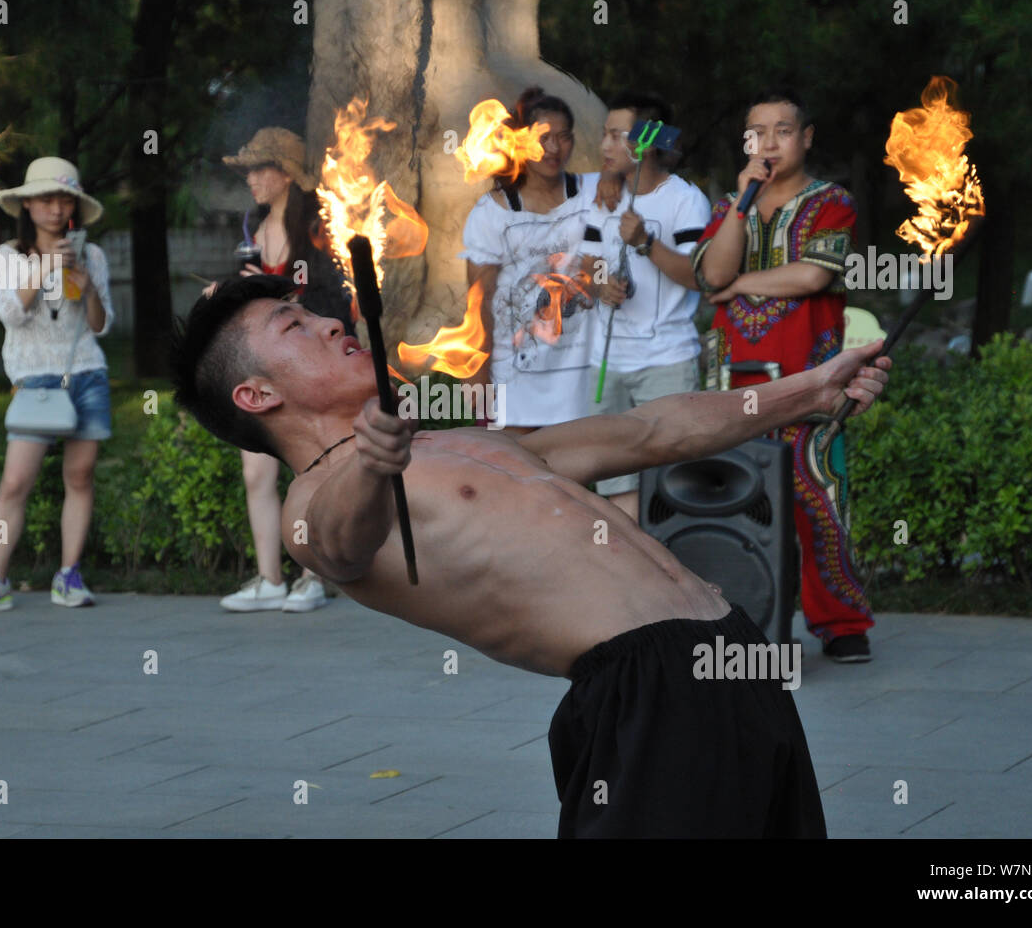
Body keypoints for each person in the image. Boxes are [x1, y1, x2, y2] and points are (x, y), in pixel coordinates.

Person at [169, 274, 892, 837]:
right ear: (256, 393)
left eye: (316, 312)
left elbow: (648, 432)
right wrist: (371, 460)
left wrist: (805, 392)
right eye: (294, 325)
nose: (331, 321)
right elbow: (339, 540)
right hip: (645, 694)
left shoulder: (464, 443)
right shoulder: (315, 502)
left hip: (733, 655)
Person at [692, 89, 872, 663]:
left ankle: (842, 624)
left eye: (783, 130)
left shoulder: (830, 202)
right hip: (733, 383)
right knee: (736, 504)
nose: (769, 142)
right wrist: (744, 204)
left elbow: (814, 276)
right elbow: (710, 273)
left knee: (818, 497)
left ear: (807, 137)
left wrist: (741, 284)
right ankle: (747, 622)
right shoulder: (729, 206)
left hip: (810, 378)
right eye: (757, 132)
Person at [0, 157, 114, 615]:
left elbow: (102, 326)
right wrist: (45, 265)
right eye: (45, 199)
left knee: (80, 477)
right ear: (27, 206)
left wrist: (86, 289)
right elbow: (10, 313)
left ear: (74, 207)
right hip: (34, 379)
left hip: (86, 371)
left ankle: (68, 575)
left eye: (63, 199)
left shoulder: (94, 255)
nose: (54, 207)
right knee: (15, 482)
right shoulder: (9, 255)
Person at [212, 127, 353, 612]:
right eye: (247, 170)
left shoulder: (319, 225)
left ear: (286, 173)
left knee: (308, 467)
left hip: (305, 363)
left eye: (259, 168)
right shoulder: (252, 227)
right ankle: (270, 577)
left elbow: (335, 299)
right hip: (263, 364)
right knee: (256, 470)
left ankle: (311, 577)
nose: (251, 179)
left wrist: (279, 295)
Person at [581, 91, 712, 520]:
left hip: (667, 362)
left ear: (646, 142)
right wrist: (602, 285)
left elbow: (701, 274)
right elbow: (587, 261)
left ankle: (678, 579)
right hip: (608, 362)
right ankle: (630, 578)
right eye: (605, 135)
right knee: (617, 486)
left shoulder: (685, 200)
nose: (604, 146)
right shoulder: (599, 196)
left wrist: (646, 244)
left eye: (617, 136)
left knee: (671, 487)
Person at [460, 87, 600, 434]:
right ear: (520, 141)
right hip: (516, 376)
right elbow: (480, 302)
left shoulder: (593, 193)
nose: (554, 149)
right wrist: (479, 379)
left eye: (564, 137)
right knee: (517, 476)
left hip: (580, 375)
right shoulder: (493, 213)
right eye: (544, 137)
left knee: (575, 475)